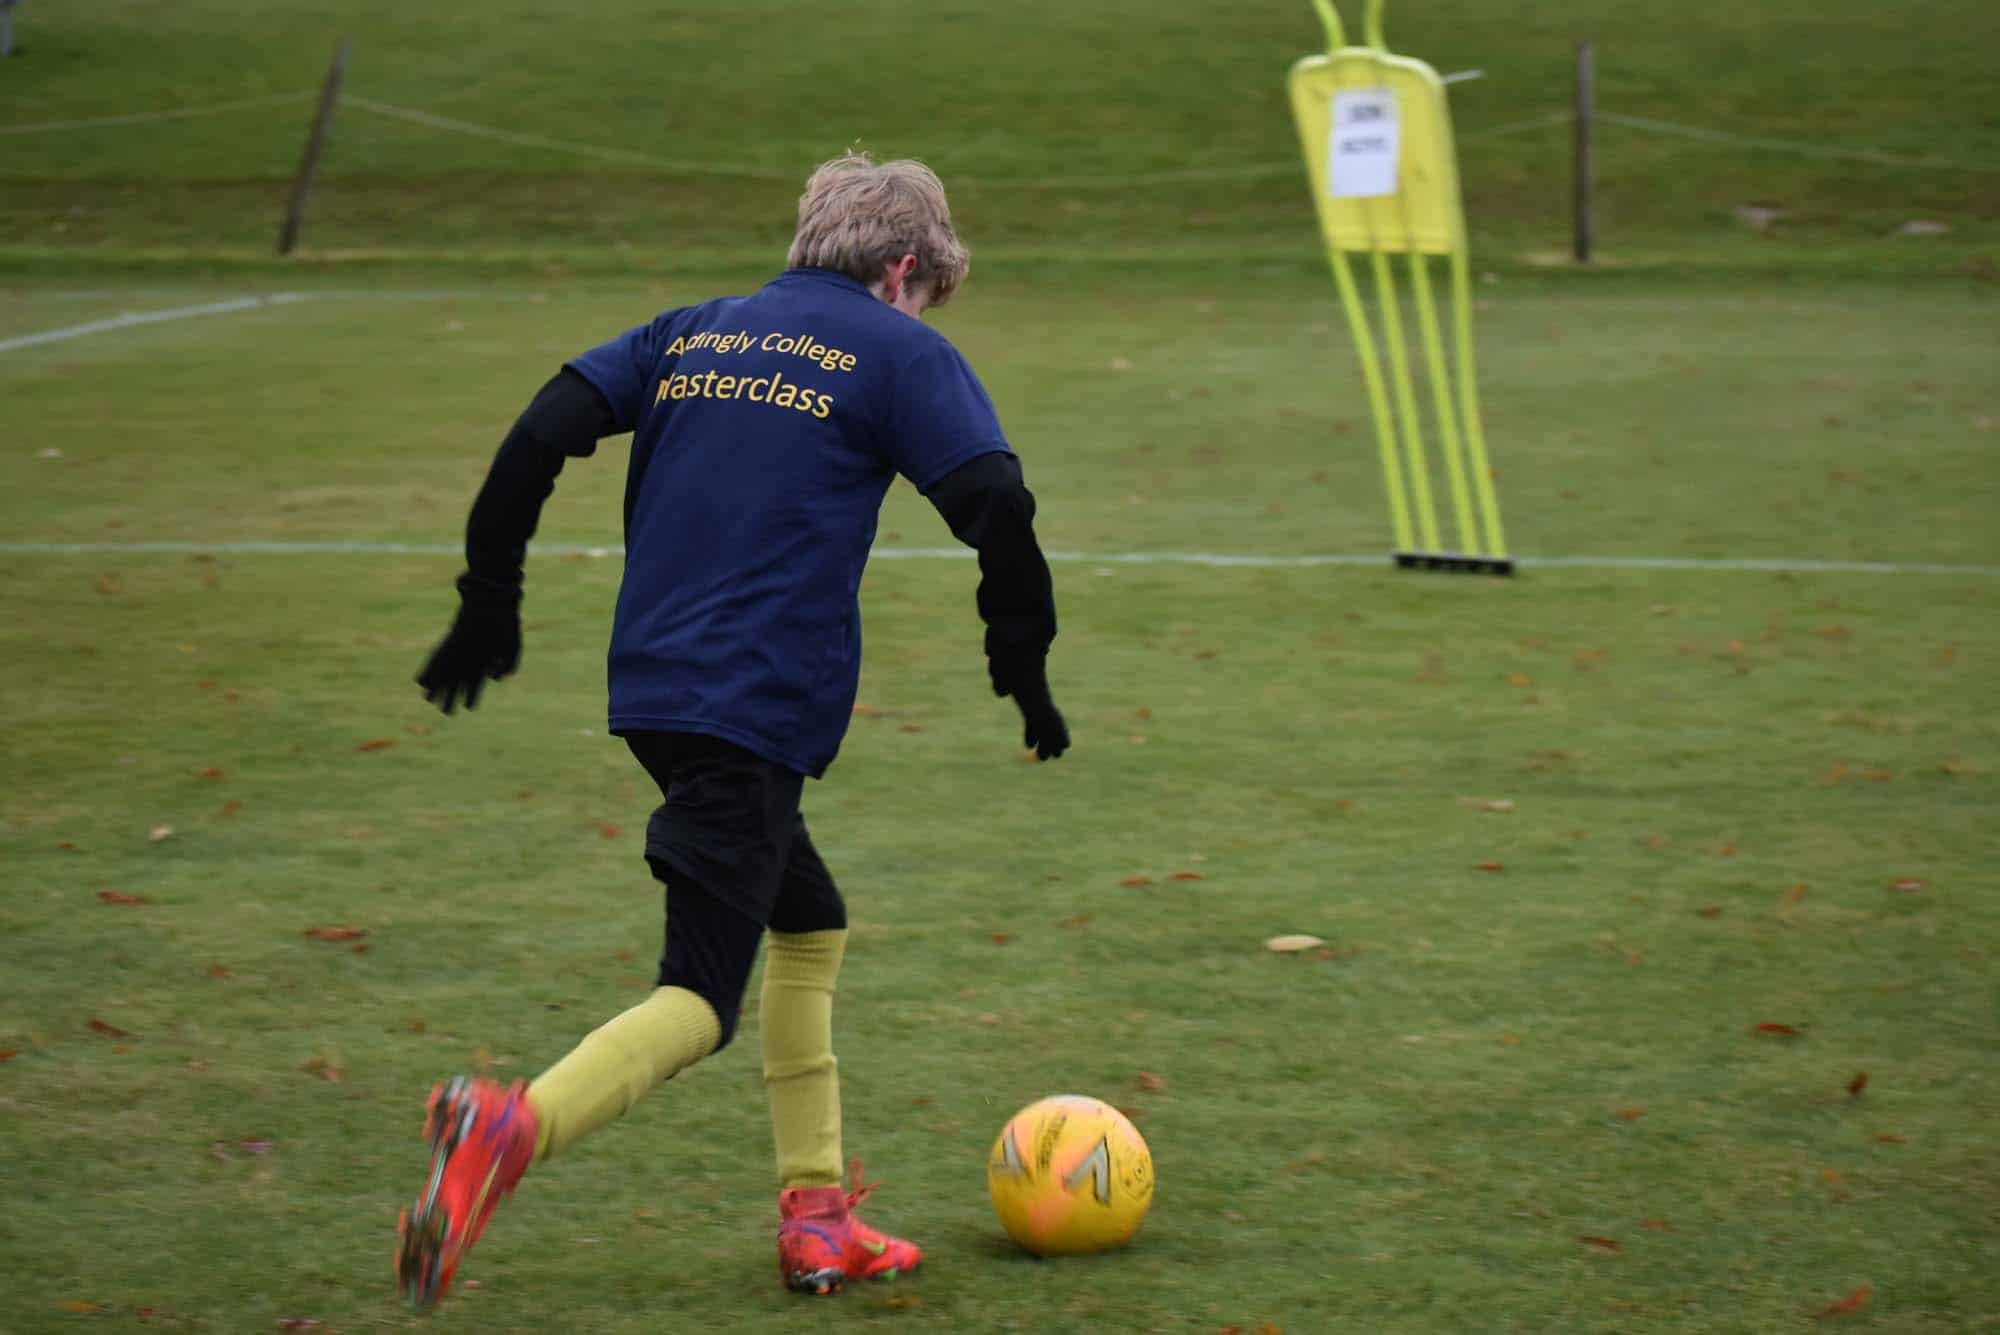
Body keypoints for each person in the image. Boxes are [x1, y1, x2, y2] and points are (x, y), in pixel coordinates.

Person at [395, 152, 1069, 1308]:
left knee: (807, 922)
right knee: (700, 997)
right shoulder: (897, 349)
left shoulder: (693, 331)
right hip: (752, 700)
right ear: (903, 268)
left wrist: (487, 599)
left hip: (658, 688)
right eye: (924, 287)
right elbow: (995, 501)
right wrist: (1022, 666)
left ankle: (818, 1218)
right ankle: (511, 1127)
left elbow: (537, 432)